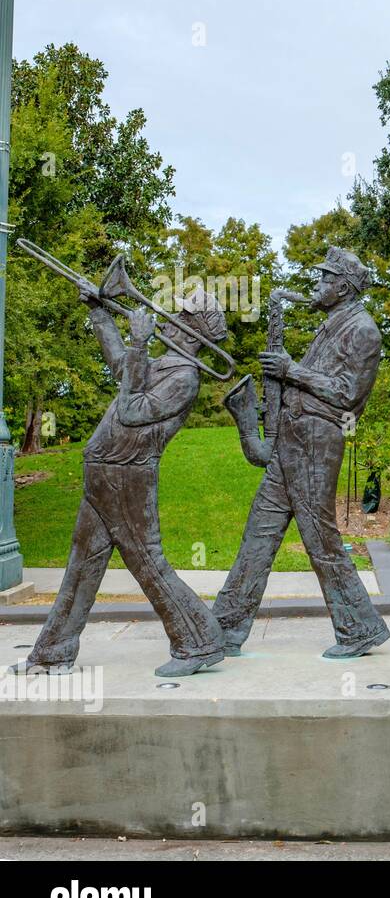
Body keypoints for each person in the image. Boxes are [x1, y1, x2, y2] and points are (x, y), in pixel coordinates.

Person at [13, 281, 228, 677]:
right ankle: (51, 653)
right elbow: (120, 367)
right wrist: (99, 314)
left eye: (180, 316)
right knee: (81, 566)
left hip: (127, 478)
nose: (171, 319)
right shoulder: (165, 364)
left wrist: (139, 344)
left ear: (193, 330)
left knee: (148, 562)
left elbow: (129, 410)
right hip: (105, 473)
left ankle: (198, 641)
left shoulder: (184, 378)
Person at [213, 248, 389, 659]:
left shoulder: (363, 329)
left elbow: (348, 395)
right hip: (292, 442)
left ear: (343, 286)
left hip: (315, 442)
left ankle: (359, 626)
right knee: (258, 536)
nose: (317, 285)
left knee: (320, 538)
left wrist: (290, 371)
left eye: (324, 279)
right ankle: (223, 630)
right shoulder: (331, 326)